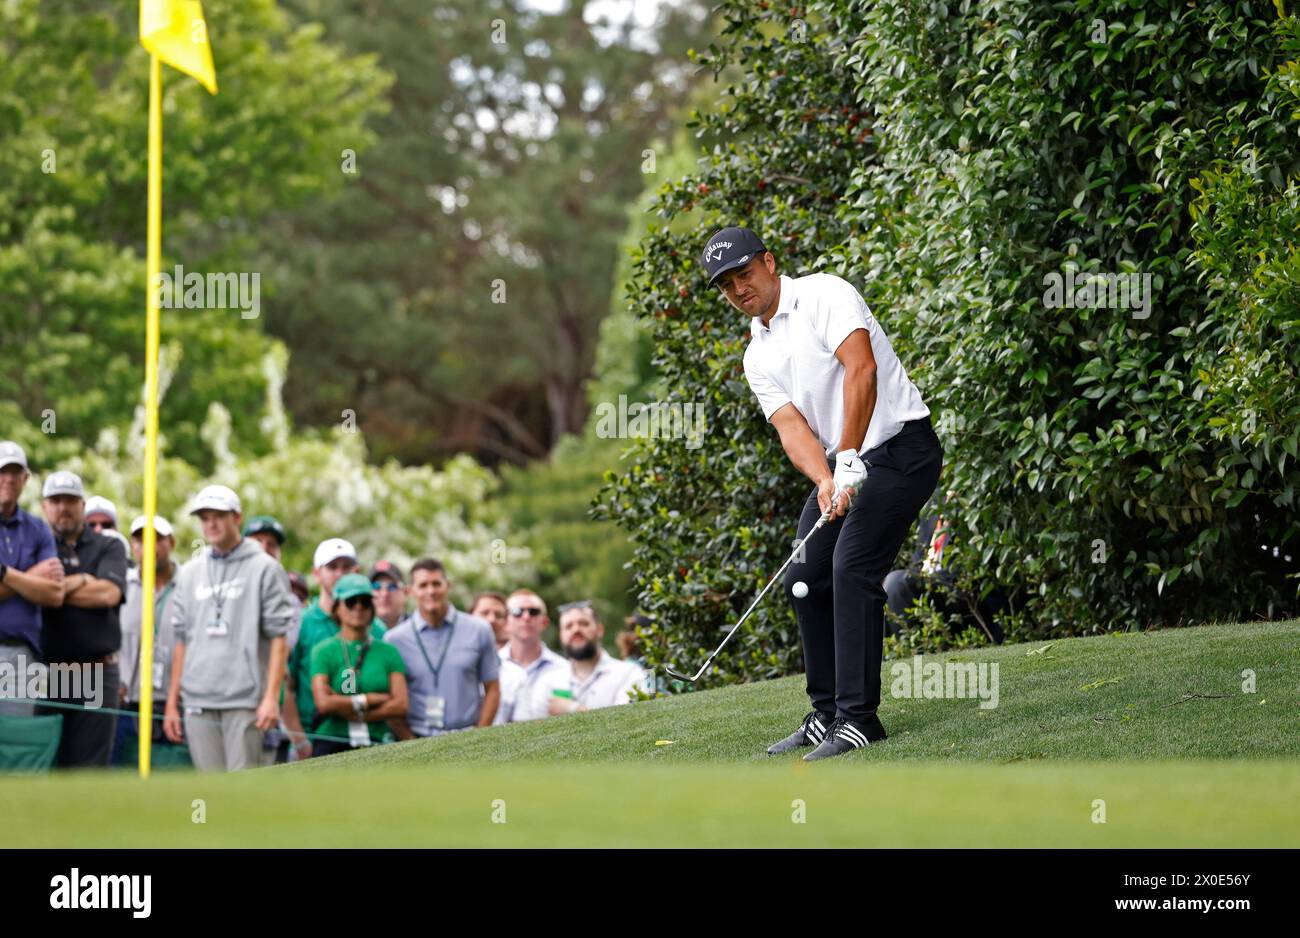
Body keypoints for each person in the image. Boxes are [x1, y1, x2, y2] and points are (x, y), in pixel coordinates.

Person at [703, 225, 942, 760]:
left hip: (902, 448)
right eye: (727, 285)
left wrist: (851, 454)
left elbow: (862, 369)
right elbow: (792, 428)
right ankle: (827, 713)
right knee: (806, 575)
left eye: (744, 273)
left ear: (768, 262)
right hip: (846, 463)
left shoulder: (824, 294)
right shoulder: (756, 355)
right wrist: (826, 479)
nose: (739, 289)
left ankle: (859, 720)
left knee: (851, 567)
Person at [162, 485, 293, 772]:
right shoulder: (190, 572)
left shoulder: (265, 567)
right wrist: (173, 703)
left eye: (218, 516)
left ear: (237, 517)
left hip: (244, 700)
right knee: (211, 792)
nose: (211, 524)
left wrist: (271, 698)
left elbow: (278, 638)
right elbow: (181, 640)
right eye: (204, 517)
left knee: (243, 793)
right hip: (197, 699)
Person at [39, 471, 128, 768]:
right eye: (56, 500)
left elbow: (107, 595)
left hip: (97, 672)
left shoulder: (110, 545)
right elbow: (32, 593)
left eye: (70, 500)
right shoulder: (37, 544)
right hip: (47, 673)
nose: (63, 507)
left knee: (89, 771)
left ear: (82, 505)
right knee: (44, 765)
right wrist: (83, 581)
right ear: (44, 506)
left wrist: (54, 589)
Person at [382, 558, 499, 738]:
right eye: (423, 585)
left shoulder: (479, 630)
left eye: (436, 584)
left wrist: (480, 735)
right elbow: (389, 697)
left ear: (448, 586)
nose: (431, 591)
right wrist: (409, 742)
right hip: (417, 739)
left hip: (468, 736)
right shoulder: (394, 639)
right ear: (410, 591)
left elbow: (492, 688)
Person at [287, 538, 384, 748]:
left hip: (371, 735)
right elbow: (286, 683)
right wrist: (300, 740)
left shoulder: (376, 627)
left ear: (356, 570)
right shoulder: (301, 623)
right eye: (332, 567)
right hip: (315, 736)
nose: (340, 574)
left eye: (346, 567)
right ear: (316, 573)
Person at [114, 515, 188, 767]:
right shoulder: (120, 585)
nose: (149, 547)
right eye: (140, 540)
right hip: (128, 704)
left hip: (177, 705)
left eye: (157, 539)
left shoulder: (189, 585)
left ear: (171, 542)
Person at [308, 573, 408, 757]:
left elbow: (401, 704)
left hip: (377, 740)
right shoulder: (323, 651)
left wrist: (359, 713)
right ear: (337, 607)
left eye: (365, 602)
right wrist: (369, 700)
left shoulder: (388, 651)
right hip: (332, 741)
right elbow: (323, 703)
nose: (359, 607)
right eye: (351, 601)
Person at [0, 442, 62, 718]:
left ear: (25, 479)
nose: (9, 479)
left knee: (16, 743)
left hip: (21, 656)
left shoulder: (38, 529)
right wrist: (30, 578)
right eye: (3, 472)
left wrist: (6, 574)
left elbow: (54, 594)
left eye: (16, 473)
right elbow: (40, 587)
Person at [539, 601, 652, 715]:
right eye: (568, 626)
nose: (576, 630)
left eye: (584, 623)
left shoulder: (629, 674)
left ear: (600, 630)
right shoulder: (548, 681)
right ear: (561, 635)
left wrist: (573, 709)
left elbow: (630, 722)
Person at [495, 589, 566, 724]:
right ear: (505, 623)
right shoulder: (490, 667)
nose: (526, 617)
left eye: (533, 612)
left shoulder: (564, 669)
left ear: (544, 622)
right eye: (517, 612)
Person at [370, 560, 408, 631]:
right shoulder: (360, 631)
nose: (384, 594)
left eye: (392, 587)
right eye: (376, 586)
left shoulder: (419, 630)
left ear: (405, 592)